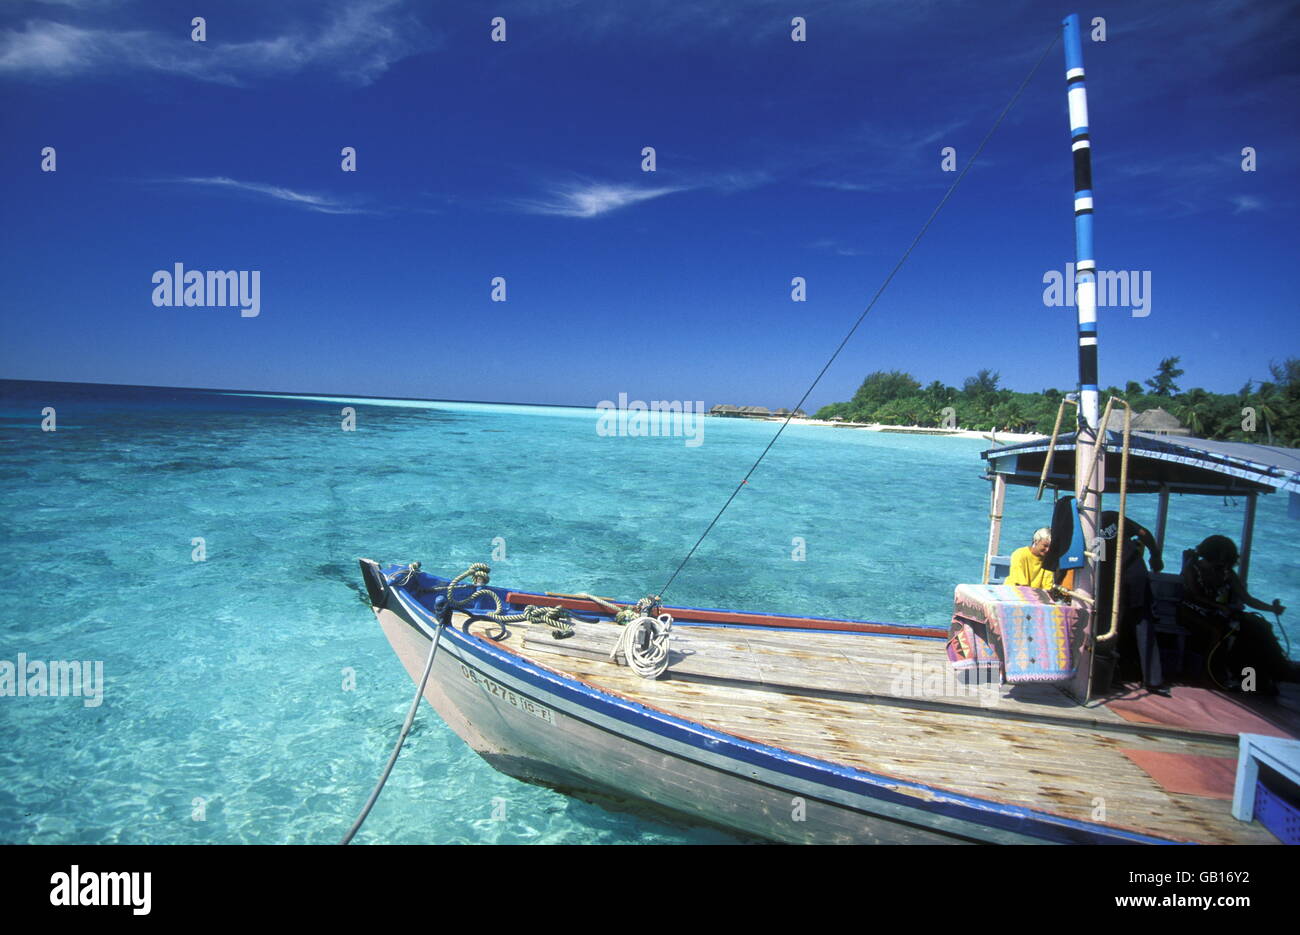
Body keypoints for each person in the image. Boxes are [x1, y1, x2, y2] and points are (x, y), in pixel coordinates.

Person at [1178, 535, 1292, 696]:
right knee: (1218, 632)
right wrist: (1219, 607)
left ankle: (1253, 681)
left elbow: (1247, 598)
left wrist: (1272, 609)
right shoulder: (1193, 567)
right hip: (1191, 611)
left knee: (1257, 629)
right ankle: (1211, 675)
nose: (1222, 562)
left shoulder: (1227, 573)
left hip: (1219, 613)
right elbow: (1194, 595)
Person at [1095, 511, 1165, 694]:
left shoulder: (1089, 527)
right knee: (1143, 625)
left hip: (1114, 580)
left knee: (1110, 628)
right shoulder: (1112, 516)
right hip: (1136, 575)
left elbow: (1098, 561)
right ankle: (1153, 680)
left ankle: (1111, 678)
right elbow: (1144, 534)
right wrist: (1156, 556)